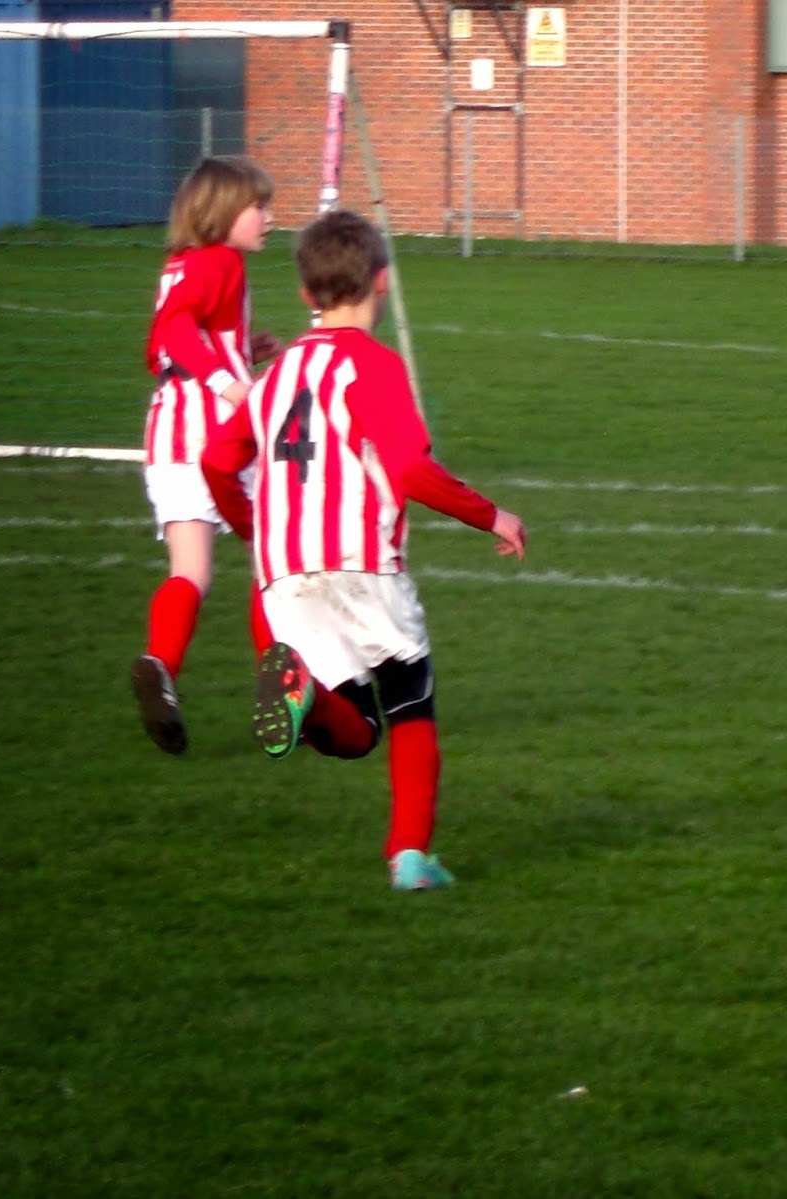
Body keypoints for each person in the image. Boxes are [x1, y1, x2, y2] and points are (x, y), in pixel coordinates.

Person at [201, 209, 527, 891]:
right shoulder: (375, 365)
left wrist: (252, 531)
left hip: (285, 574)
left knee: (353, 728)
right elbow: (409, 470)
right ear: (382, 281)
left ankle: (307, 699)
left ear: (305, 293)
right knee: (409, 706)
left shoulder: (276, 374)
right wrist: (491, 515)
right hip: (363, 561)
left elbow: (216, 460)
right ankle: (409, 857)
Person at [130, 155, 283, 755]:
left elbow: (163, 346)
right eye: (259, 207)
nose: (269, 218)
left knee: (189, 572)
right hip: (220, 436)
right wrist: (230, 384)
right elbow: (176, 332)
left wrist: (243, 352)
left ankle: (160, 667)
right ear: (223, 212)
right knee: (274, 565)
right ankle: (280, 698)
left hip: (168, 431)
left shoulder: (182, 263)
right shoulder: (222, 261)